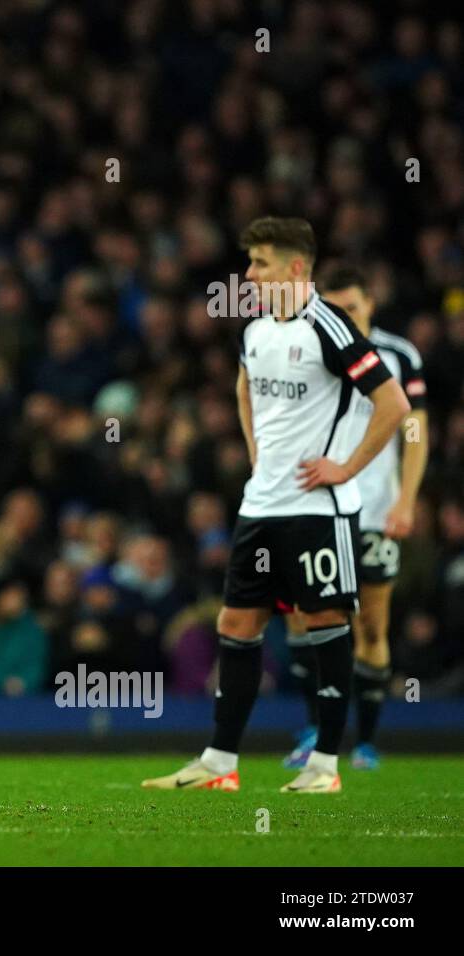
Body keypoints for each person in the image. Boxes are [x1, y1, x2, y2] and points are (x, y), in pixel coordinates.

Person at [143, 217, 409, 794]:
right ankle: (219, 763)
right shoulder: (257, 330)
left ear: (294, 268)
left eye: (260, 263)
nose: (249, 274)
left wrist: (346, 467)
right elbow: (245, 389)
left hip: (318, 509)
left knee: (326, 623)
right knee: (236, 623)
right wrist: (258, 452)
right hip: (260, 506)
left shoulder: (330, 328)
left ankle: (325, 768)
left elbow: (392, 404)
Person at [282, 264, 429, 771]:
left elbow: (413, 432)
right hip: (316, 504)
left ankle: (365, 741)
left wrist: (406, 499)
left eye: (353, 307)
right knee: (304, 618)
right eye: (336, 307)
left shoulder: (398, 355)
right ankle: (314, 730)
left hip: (373, 512)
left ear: (370, 304)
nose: (344, 316)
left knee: (370, 624)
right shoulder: (305, 349)